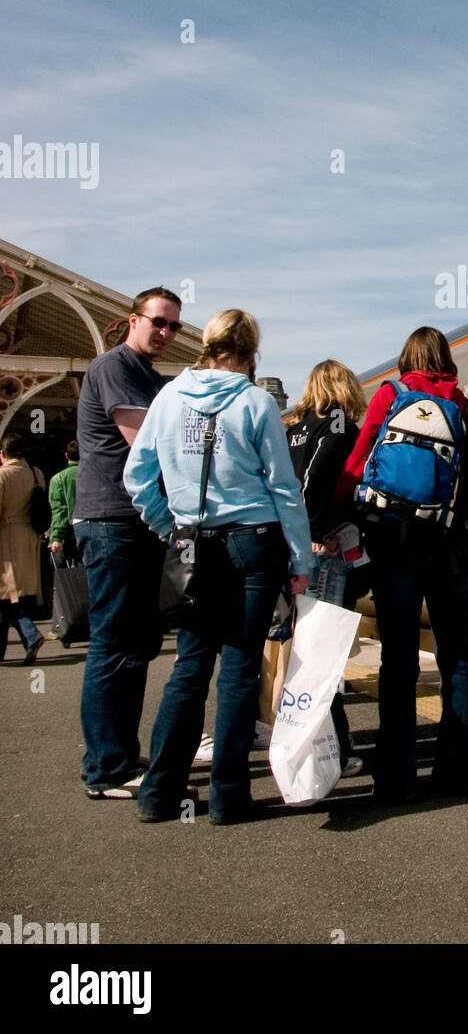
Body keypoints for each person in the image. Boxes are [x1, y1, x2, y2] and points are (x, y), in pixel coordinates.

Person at [123, 309, 316, 824]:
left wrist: (170, 527)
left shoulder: (167, 398)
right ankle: (229, 797)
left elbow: (137, 476)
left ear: (205, 345)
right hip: (254, 544)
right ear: (252, 352)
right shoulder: (256, 403)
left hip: (192, 544)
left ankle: (159, 793)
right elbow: (283, 489)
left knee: (189, 667)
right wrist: (300, 559)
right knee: (238, 669)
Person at [336, 327, 468, 802]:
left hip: (394, 544)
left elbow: (356, 465)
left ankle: (395, 780)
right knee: (457, 657)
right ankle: (462, 774)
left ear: (406, 359)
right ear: (445, 359)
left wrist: (343, 516)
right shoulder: (465, 405)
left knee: (398, 661)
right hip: (451, 544)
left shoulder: (388, 397)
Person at [75, 286, 183, 799]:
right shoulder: (115, 366)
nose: (165, 333)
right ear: (132, 320)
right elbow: (142, 441)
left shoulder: (151, 377)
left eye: (174, 326)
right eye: (158, 321)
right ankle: (106, 768)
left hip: (135, 521)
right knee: (115, 643)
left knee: (135, 643)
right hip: (112, 519)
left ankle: (114, 751)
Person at [285, 358, 368, 780]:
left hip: (297, 547)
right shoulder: (338, 425)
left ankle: (311, 739)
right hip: (322, 552)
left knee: (306, 646)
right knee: (325, 652)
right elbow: (313, 482)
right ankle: (331, 749)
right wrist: (315, 532)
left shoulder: (295, 428)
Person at [0, 434, 45, 664]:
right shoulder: (36, 474)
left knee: (7, 594)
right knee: (10, 595)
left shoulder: (2, 475)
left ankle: (31, 634)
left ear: (3, 453)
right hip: (29, 538)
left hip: (6, 539)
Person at [48, 439, 79, 565]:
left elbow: (59, 510)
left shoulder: (58, 478)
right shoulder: (95, 474)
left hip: (70, 535)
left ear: (66, 455)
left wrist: (56, 537)